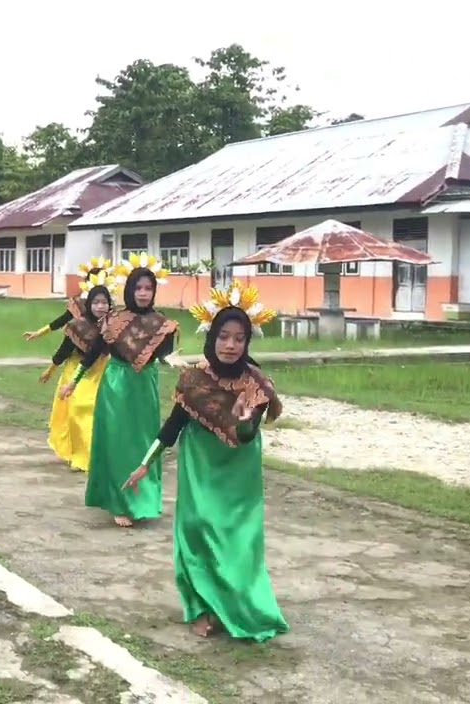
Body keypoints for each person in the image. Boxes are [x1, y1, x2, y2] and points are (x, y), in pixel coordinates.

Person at [123, 280, 288, 642]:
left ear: (247, 342)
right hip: (199, 467)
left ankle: (240, 604)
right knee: (197, 530)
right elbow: (173, 425)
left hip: (238, 474)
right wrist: (144, 464)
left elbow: (246, 436)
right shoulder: (194, 379)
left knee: (236, 541)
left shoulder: (256, 384)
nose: (230, 345)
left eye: (239, 338)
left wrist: (245, 420)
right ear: (212, 337)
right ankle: (201, 606)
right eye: (224, 336)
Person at [62, 253, 178, 528]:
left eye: (148, 288)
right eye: (138, 287)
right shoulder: (113, 320)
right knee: (116, 445)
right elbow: (94, 353)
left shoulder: (163, 325)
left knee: (142, 443)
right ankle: (119, 502)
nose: (143, 293)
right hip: (115, 387)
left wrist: (176, 361)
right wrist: (74, 381)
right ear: (130, 289)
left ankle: (144, 501)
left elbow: (165, 356)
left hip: (144, 388)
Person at [39, 270, 119, 472]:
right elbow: (64, 350)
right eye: (96, 302)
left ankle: (100, 454)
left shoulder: (115, 325)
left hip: (104, 371)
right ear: (89, 303)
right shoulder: (78, 325)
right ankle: (82, 454)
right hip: (79, 372)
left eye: (104, 302)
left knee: (101, 414)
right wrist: (51, 369)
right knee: (77, 409)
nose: (101, 307)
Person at [22, 257, 115, 341]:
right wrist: (39, 332)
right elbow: (63, 320)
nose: (100, 306)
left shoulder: (110, 307)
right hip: (79, 351)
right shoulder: (78, 304)